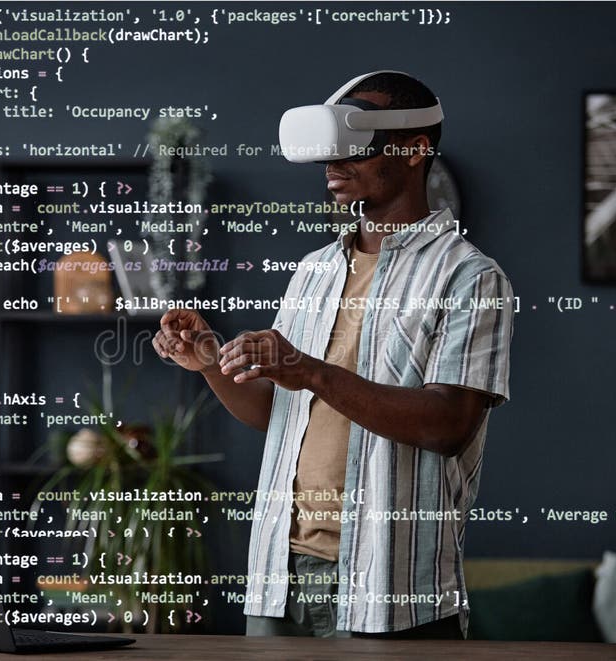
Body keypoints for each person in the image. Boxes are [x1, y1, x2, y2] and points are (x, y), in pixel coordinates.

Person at [151, 71, 514, 639]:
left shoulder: (469, 277)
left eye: (354, 143)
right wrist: (209, 362)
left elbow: (447, 426)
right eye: (329, 148)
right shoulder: (313, 271)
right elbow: (277, 413)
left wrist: (310, 370)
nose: (333, 162)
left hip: (390, 584)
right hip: (280, 575)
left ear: (415, 149)